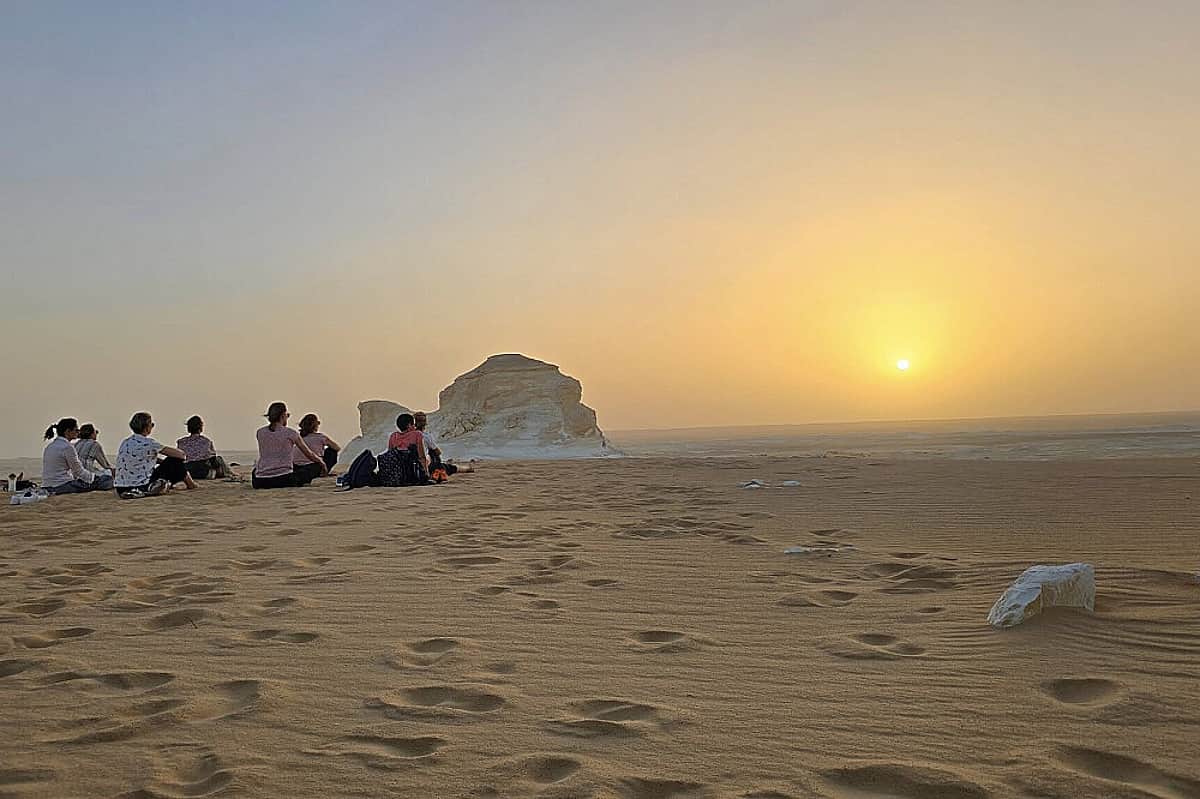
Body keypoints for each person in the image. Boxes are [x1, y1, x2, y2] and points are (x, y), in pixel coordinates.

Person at [114, 412, 197, 498]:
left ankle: (146, 489)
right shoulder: (150, 443)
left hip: (121, 487)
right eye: (152, 424)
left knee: (168, 465)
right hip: (142, 484)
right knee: (175, 461)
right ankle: (190, 484)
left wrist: (161, 462)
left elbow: (138, 458)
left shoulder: (125, 442)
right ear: (146, 427)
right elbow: (181, 455)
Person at [253, 402, 326, 489]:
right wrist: (322, 463)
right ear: (282, 416)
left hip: (260, 481)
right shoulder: (290, 433)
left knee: (255, 470)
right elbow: (309, 454)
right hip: (284, 479)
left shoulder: (260, 432)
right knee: (315, 466)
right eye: (287, 415)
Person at [42, 418, 114, 494]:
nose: (78, 432)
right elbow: (78, 471)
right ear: (68, 431)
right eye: (76, 430)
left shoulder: (50, 446)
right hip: (62, 486)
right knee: (106, 479)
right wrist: (94, 478)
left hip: (47, 485)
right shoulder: (67, 447)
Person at [177, 415, 232, 480]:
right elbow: (213, 458)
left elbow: (179, 457)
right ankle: (229, 473)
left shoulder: (181, 442)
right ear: (200, 428)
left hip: (187, 473)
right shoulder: (206, 441)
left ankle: (228, 472)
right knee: (219, 459)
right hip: (204, 473)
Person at [293, 414, 340, 485]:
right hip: (314, 466)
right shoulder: (320, 437)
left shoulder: (298, 438)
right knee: (332, 451)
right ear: (315, 425)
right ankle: (323, 472)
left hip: (296, 467)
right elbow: (337, 448)